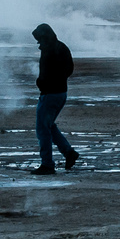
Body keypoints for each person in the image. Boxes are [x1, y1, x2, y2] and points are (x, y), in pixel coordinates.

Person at [31, 23, 79, 174]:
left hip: (50, 94)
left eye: (39, 39)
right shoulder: (61, 46)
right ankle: (68, 152)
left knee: (42, 129)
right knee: (49, 125)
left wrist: (43, 83)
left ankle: (47, 164)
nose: (38, 43)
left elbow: (45, 73)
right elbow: (69, 68)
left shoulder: (49, 49)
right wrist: (59, 80)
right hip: (61, 92)